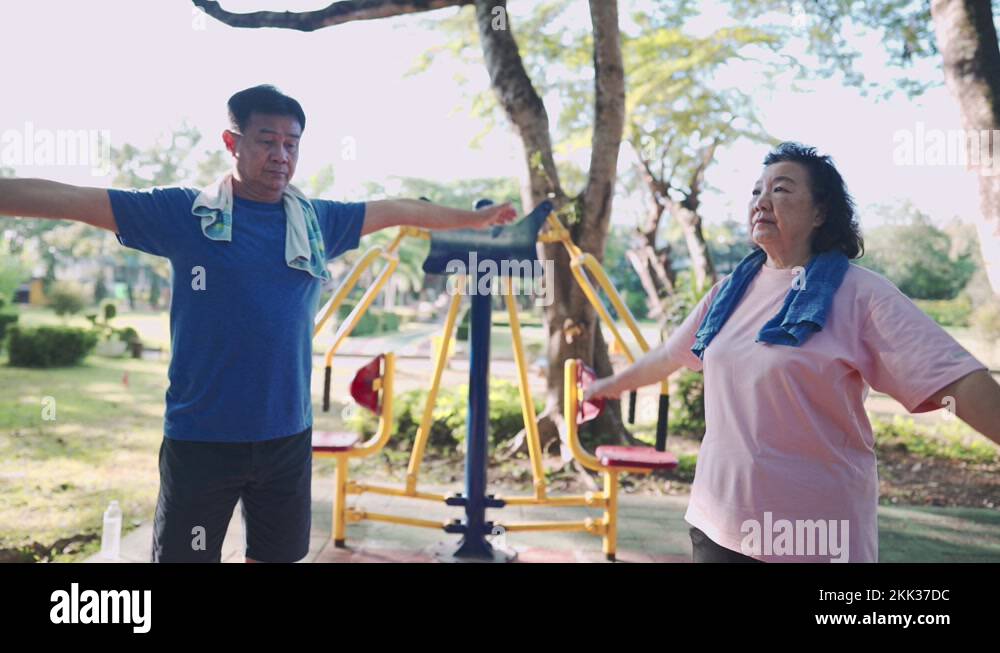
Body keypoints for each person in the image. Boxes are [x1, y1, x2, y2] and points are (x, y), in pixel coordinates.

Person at [0, 84, 516, 563]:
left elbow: (399, 209)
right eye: (267, 140)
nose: (281, 155)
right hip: (203, 436)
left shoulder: (317, 223)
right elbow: (72, 200)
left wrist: (472, 220)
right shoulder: (188, 214)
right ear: (232, 141)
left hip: (285, 437)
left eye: (292, 143)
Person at [585, 142, 1000, 563]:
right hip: (718, 525)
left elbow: (956, 379)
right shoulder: (728, 293)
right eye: (755, 191)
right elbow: (668, 358)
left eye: (781, 190)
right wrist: (602, 387)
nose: (761, 201)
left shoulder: (861, 294)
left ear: (820, 213)